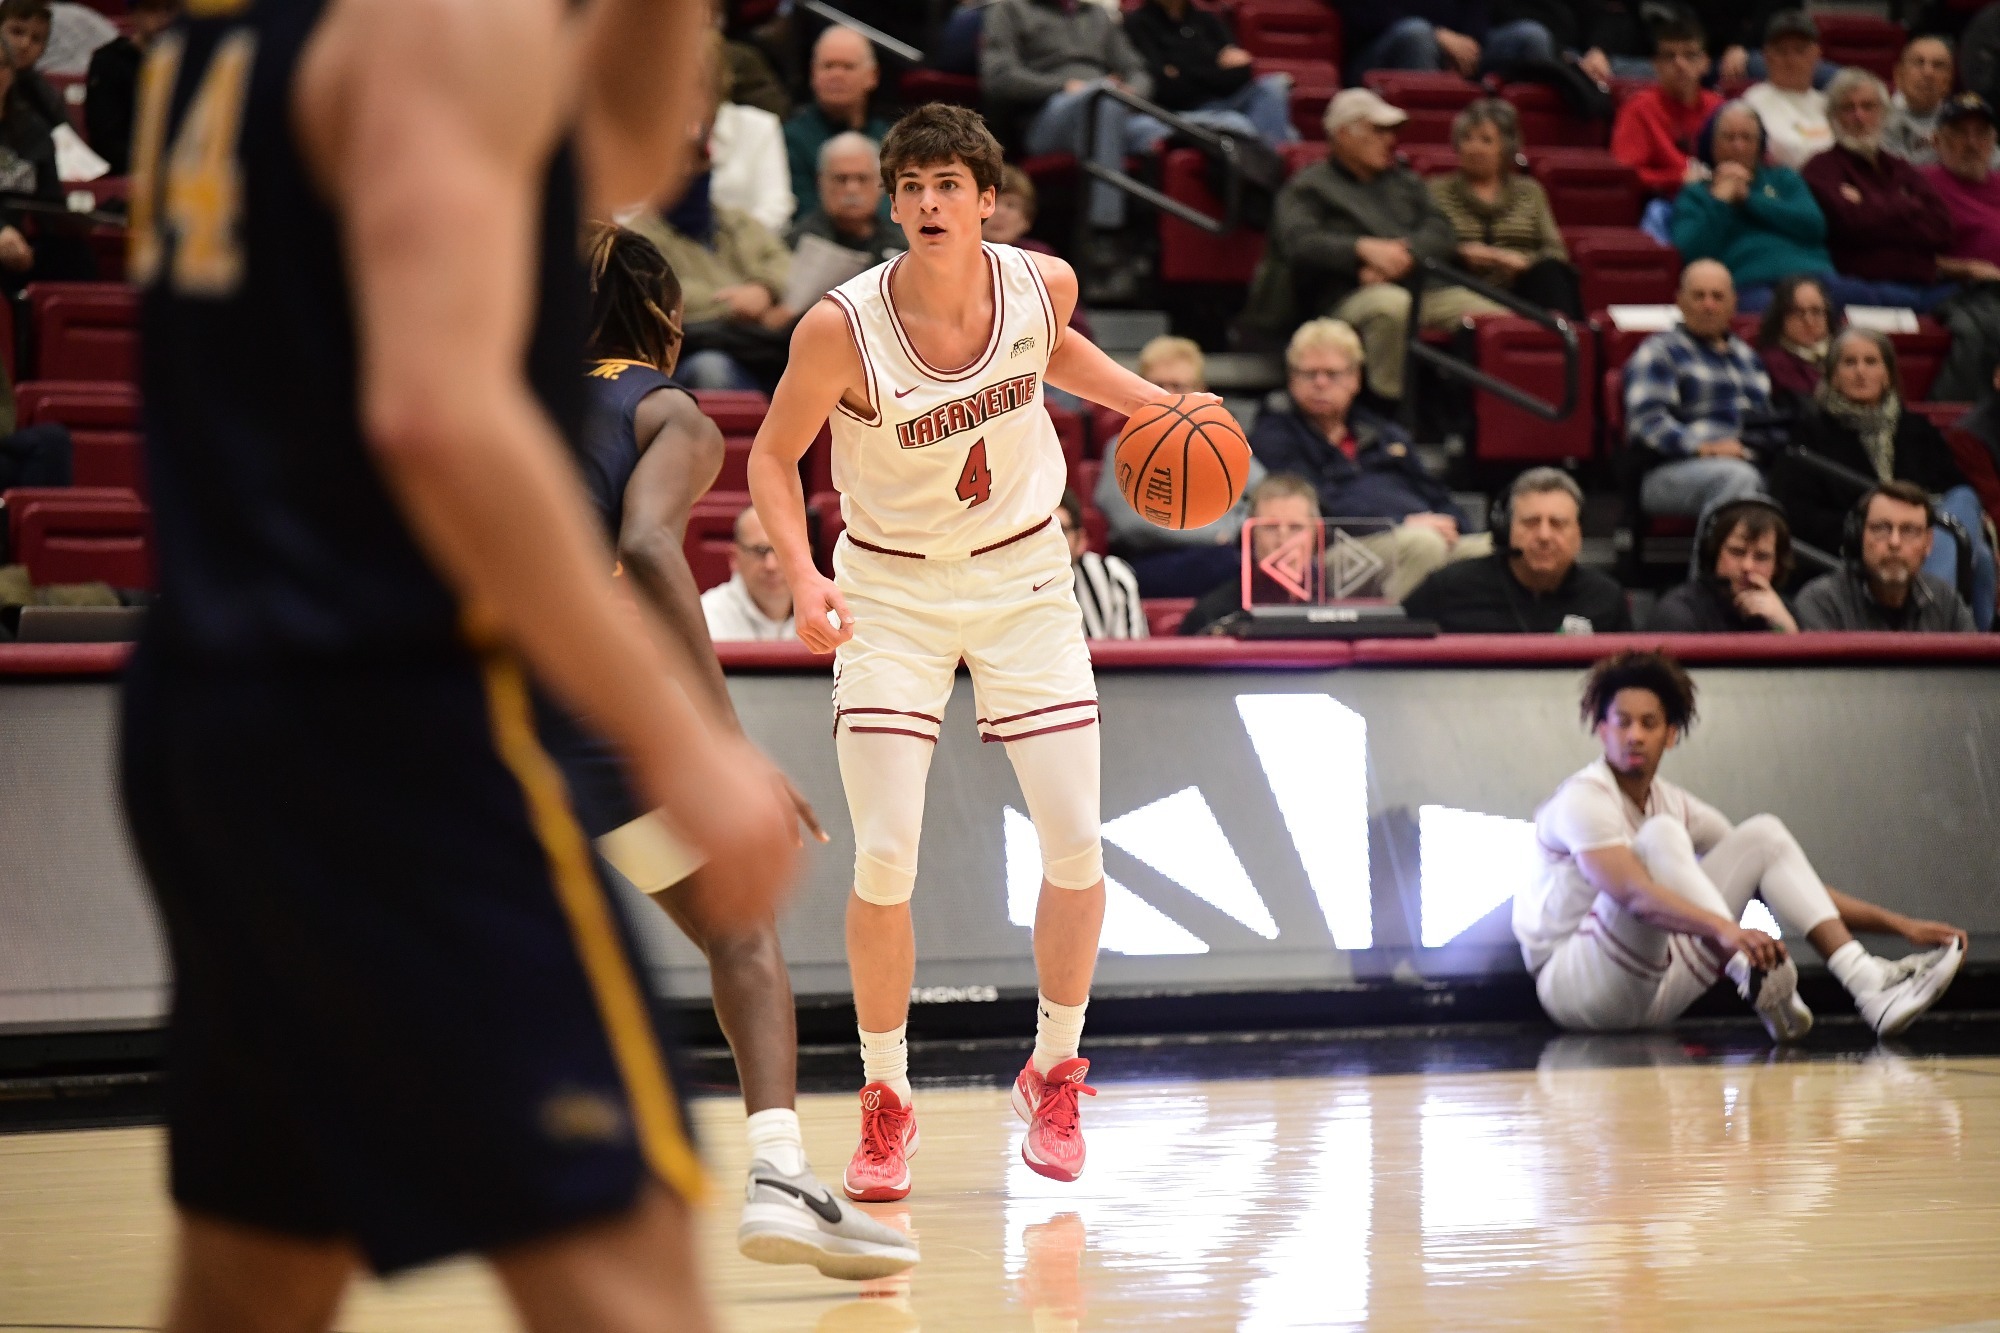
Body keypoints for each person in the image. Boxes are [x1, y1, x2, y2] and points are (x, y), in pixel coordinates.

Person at [124, 1, 801, 1328]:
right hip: (398, 729)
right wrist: (683, 744)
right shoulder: (434, 22)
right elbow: (439, 415)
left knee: (257, 1275)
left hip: (213, 711)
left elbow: (611, 150)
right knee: (629, 1270)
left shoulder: (226, 43)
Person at [746, 105, 1197, 1202]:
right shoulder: (838, 330)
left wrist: (1152, 402)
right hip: (889, 587)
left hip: (1023, 578)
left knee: (1076, 844)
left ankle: (1051, 1066)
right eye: (911, 187)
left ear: (985, 198)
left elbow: (1060, 354)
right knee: (884, 855)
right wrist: (805, 578)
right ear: (890, 203)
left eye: (949, 184)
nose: (929, 203)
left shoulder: (1039, 288)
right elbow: (767, 457)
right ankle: (886, 1097)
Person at [547, 226, 911, 1277]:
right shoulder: (669, 412)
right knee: (739, 934)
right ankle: (778, 1172)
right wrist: (725, 746)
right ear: (665, 319)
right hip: (558, 714)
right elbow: (648, 547)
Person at [1518, 651, 1967, 1040]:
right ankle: (1748, 972)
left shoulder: (1674, 801)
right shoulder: (1582, 797)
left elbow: (1781, 877)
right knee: (1661, 835)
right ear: (1601, 730)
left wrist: (1901, 926)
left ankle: (1865, 981)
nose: (1634, 734)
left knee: (1764, 835)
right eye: (1622, 722)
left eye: (1649, 723)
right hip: (1573, 988)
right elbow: (1633, 894)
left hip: (1654, 993)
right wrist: (1728, 933)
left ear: (1671, 734)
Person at [1246, 88, 1504, 405]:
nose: (1390, 140)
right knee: (1391, 306)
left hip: (1423, 286)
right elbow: (1299, 243)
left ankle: (1472, 417)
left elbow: (1442, 231)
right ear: (1343, 134)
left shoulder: (1405, 181)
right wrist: (1361, 250)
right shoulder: (1309, 186)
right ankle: (1386, 413)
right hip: (1344, 295)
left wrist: (1404, 256)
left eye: (1392, 132)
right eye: (1378, 131)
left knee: (1499, 321)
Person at [1248, 317, 1487, 601]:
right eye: (1309, 374)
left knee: (1488, 550)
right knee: (1422, 545)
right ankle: (1395, 642)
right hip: (1340, 550)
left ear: (1355, 379)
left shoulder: (1384, 433)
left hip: (1414, 537)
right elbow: (1319, 506)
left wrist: (1458, 530)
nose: (1321, 383)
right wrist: (1399, 524)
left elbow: (1434, 493)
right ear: (1292, 379)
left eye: (1332, 374)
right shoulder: (1275, 435)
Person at [1773, 328, 1995, 627]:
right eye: (1849, 363)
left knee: (1964, 500)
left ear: (1888, 374)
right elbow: (1799, 515)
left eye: (1871, 362)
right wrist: (1870, 527)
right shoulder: (1808, 436)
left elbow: (1952, 485)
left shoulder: (1915, 428)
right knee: (1976, 558)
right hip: (1857, 546)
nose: (1861, 371)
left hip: (1924, 540)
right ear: (1833, 376)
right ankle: (1943, 627)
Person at [628, 118, 796, 393]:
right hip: (691, 354)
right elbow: (662, 294)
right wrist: (736, 305)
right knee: (712, 368)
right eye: (678, 161)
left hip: (760, 345)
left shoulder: (736, 221)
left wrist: (764, 290)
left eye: (698, 160)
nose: (688, 171)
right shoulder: (637, 235)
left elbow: (783, 262)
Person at [980, 0, 1156, 241]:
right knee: (1102, 97)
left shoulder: (1096, 15)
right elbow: (998, 77)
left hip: (1109, 105)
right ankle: (1104, 232)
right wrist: (1063, 86)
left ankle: (1160, 239)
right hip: (1045, 118)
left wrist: (1131, 92)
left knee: (1166, 131)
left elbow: (1137, 70)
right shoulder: (1010, 9)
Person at [1095, 335, 1258, 595]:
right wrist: (1219, 534)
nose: (1169, 395)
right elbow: (1130, 524)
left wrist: (1234, 528)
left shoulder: (1218, 440)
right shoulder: (1123, 445)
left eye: (1178, 386)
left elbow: (1264, 494)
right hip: (1149, 563)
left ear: (1200, 389)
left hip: (1219, 560)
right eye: (1158, 385)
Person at [1624, 260, 1775, 519]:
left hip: (1747, 461)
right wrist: (1708, 448)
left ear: (1733, 303)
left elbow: (1765, 422)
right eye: (1699, 296)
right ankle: (1712, 561)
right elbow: (1647, 424)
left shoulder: (1749, 359)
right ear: (1680, 301)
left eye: (1717, 296)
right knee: (1737, 479)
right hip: (1672, 469)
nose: (1708, 305)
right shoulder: (1660, 352)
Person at [1801, 68, 1957, 313]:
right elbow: (1850, 224)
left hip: (1927, 288)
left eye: (1868, 107)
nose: (1859, 116)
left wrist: (1869, 204)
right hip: (1866, 288)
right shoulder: (1821, 169)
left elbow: (1942, 229)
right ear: (1832, 118)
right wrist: (1908, 205)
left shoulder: (1902, 168)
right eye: (1848, 108)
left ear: (1883, 114)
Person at [1400, 468, 1631, 631]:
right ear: (1505, 530)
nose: (1544, 536)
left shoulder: (1606, 598)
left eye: (1558, 524)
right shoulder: (1448, 588)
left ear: (1579, 534)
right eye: (1530, 522)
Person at [1670, 102, 1833, 311]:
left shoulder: (1783, 178)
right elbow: (1690, 252)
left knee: (1880, 301)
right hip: (1749, 283)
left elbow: (1814, 226)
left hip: (1813, 276)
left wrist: (1749, 199)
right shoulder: (1697, 194)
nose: (1738, 146)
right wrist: (1720, 203)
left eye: (1747, 138)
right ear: (1712, 144)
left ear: (1760, 145)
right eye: (1729, 138)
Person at [1428, 98, 1580, 316]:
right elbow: (1429, 247)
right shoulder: (1436, 190)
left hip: (1522, 285)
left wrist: (1521, 263)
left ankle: (1564, 342)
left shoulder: (1530, 191)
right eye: (1467, 139)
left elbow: (1556, 251)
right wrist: (1461, 252)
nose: (1474, 148)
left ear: (1506, 148)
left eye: (1486, 140)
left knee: (1551, 273)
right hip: (1461, 288)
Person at [1795, 480, 1979, 630]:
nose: (1895, 542)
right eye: (1881, 528)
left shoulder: (1947, 604)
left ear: (1928, 543)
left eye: (1909, 530)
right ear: (1860, 536)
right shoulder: (1822, 603)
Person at [1123, 0, 1299, 148]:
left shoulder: (1207, 20)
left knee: (1274, 86)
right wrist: (1215, 67)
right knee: (1242, 124)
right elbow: (1167, 89)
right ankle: (1273, 167)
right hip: (1181, 112)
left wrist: (1181, 70)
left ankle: (1272, 161)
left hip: (1229, 99)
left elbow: (1242, 73)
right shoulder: (1138, 24)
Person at [1923, 93, 2000, 404]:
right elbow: (1909, 257)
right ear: (1938, 140)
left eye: (1981, 133)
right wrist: (1966, 268)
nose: (1971, 142)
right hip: (1962, 290)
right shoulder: (1923, 184)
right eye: (1959, 133)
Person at [1177, 472, 1321, 635]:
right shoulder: (1212, 614)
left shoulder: (1341, 602)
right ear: (1251, 535)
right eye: (1270, 527)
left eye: (1296, 527)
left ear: (1316, 534)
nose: (1283, 541)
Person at [783, 25, 895, 224]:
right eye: (828, 66)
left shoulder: (891, 139)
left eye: (847, 66)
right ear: (813, 74)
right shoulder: (790, 138)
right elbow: (802, 213)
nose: (836, 75)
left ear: (873, 76)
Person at [1610, 14, 1724, 199]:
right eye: (1670, 56)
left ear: (1705, 63)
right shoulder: (1639, 109)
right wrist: (1677, 179)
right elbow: (1625, 175)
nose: (1680, 64)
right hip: (1664, 201)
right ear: (1656, 65)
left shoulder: (1719, 109)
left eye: (1690, 55)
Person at [1647, 496, 1800, 631]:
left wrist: (1785, 628)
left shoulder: (1783, 612)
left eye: (1761, 557)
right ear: (1713, 553)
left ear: (1778, 565)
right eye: (1737, 552)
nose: (1747, 566)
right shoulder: (1679, 612)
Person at [980, 165, 1094, 342]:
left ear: (1027, 219)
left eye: (1011, 205)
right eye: (994, 203)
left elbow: (1075, 328)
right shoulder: (954, 255)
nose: (1000, 212)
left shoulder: (1042, 259)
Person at [1336, 0, 1561, 85]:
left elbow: (1477, 10)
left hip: (1457, 46)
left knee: (1531, 36)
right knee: (1417, 34)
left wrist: (1468, 44)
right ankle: (1431, 134)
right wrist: (1439, 35)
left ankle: (1523, 141)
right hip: (1381, 50)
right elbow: (1363, 12)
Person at [708, 41, 795, 236]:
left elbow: (776, 207)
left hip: (746, 254)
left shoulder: (760, 126)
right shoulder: (655, 132)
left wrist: (730, 244)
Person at [81, 0, 176, 175]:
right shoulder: (109, 62)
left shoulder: (189, 64)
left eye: (170, 9)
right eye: (152, 9)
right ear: (133, 14)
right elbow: (106, 140)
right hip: (127, 175)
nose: (163, 19)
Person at [788, 131, 905, 266]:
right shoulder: (796, 245)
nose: (852, 189)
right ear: (820, 182)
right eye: (841, 179)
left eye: (862, 178)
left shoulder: (900, 246)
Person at [1741, 10, 1831, 171]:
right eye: (1781, 51)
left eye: (1800, 50)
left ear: (1816, 55)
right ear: (1766, 56)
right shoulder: (1752, 103)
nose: (1791, 59)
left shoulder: (1828, 104)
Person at [1059, 489, 1148, 639]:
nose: (1049, 542)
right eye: (1039, 532)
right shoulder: (1009, 582)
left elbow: (1130, 658)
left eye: (1061, 530)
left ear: (1081, 540)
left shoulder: (1114, 576)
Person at [702, 505, 799, 641]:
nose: (771, 565)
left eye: (782, 550)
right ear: (734, 557)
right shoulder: (705, 618)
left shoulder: (831, 617)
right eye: (759, 551)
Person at [1753, 273, 1834, 417]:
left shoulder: (1845, 354)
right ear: (1781, 317)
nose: (1809, 321)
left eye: (1816, 311)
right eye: (1798, 312)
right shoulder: (1774, 362)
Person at [1884, 35, 1969, 168]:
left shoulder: (1964, 121)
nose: (1928, 72)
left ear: (1949, 80)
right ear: (1898, 74)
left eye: (1938, 65)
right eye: (1918, 62)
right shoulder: (1875, 119)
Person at [0, 0, 71, 133]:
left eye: (36, 39)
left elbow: (67, 145)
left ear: (44, 49)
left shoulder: (45, 96)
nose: (25, 44)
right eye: (17, 32)